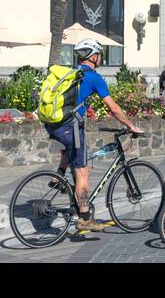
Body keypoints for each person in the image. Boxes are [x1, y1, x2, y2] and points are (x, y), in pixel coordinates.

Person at [45, 38, 145, 233]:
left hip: (53, 124)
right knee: (83, 172)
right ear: (93, 56)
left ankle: (58, 177)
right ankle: (84, 217)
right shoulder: (93, 77)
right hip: (70, 126)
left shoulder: (72, 73)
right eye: (100, 55)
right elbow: (113, 108)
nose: (101, 59)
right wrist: (131, 125)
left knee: (73, 151)